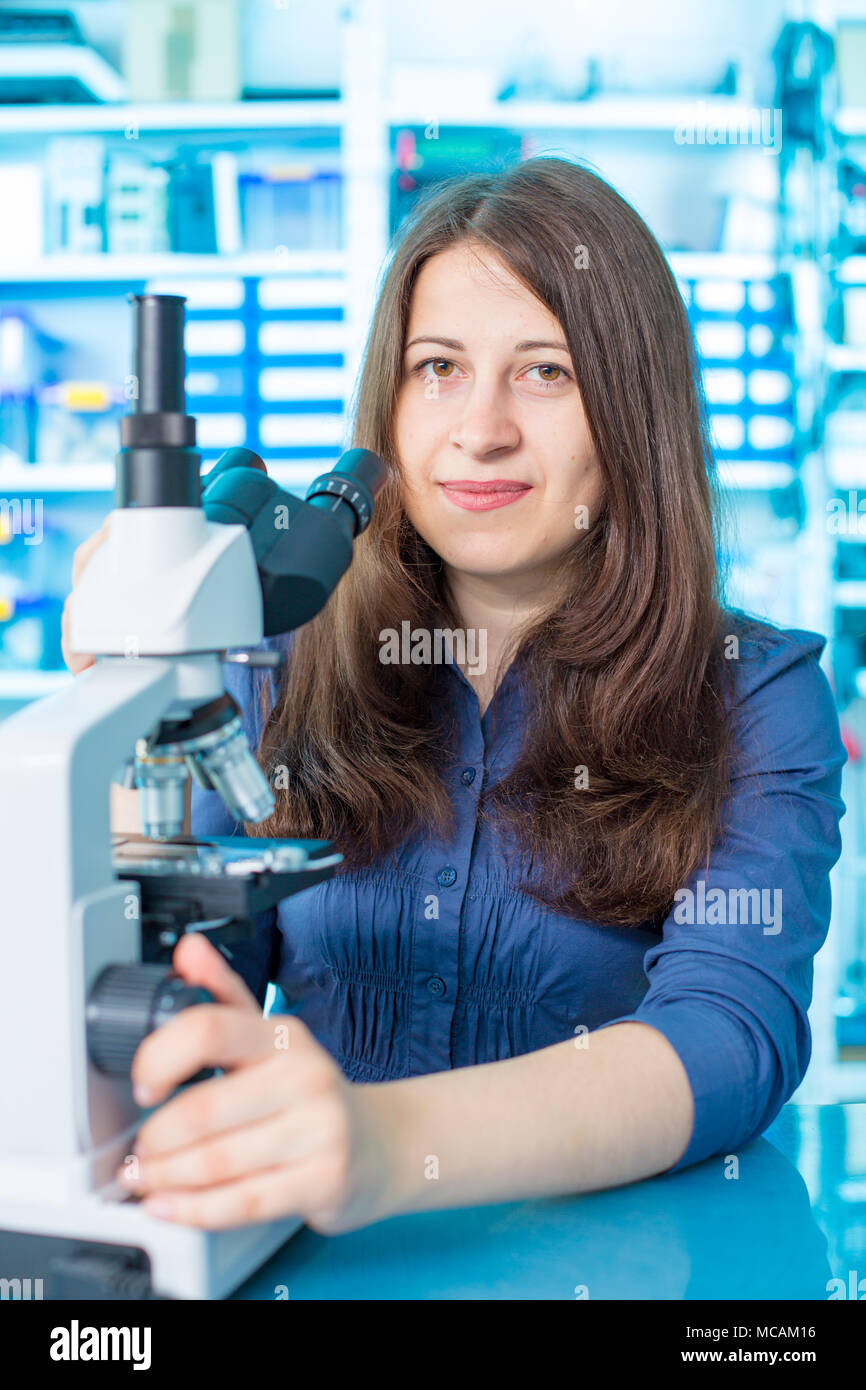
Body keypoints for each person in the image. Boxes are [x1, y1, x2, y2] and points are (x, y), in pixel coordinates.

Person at [63, 156, 847, 1235]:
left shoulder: (751, 697)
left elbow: (726, 1038)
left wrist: (386, 1146)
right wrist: (121, 715)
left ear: (633, 413)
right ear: (386, 404)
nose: (478, 429)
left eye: (545, 372)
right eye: (436, 367)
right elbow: (192, 970)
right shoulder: (271, 657)